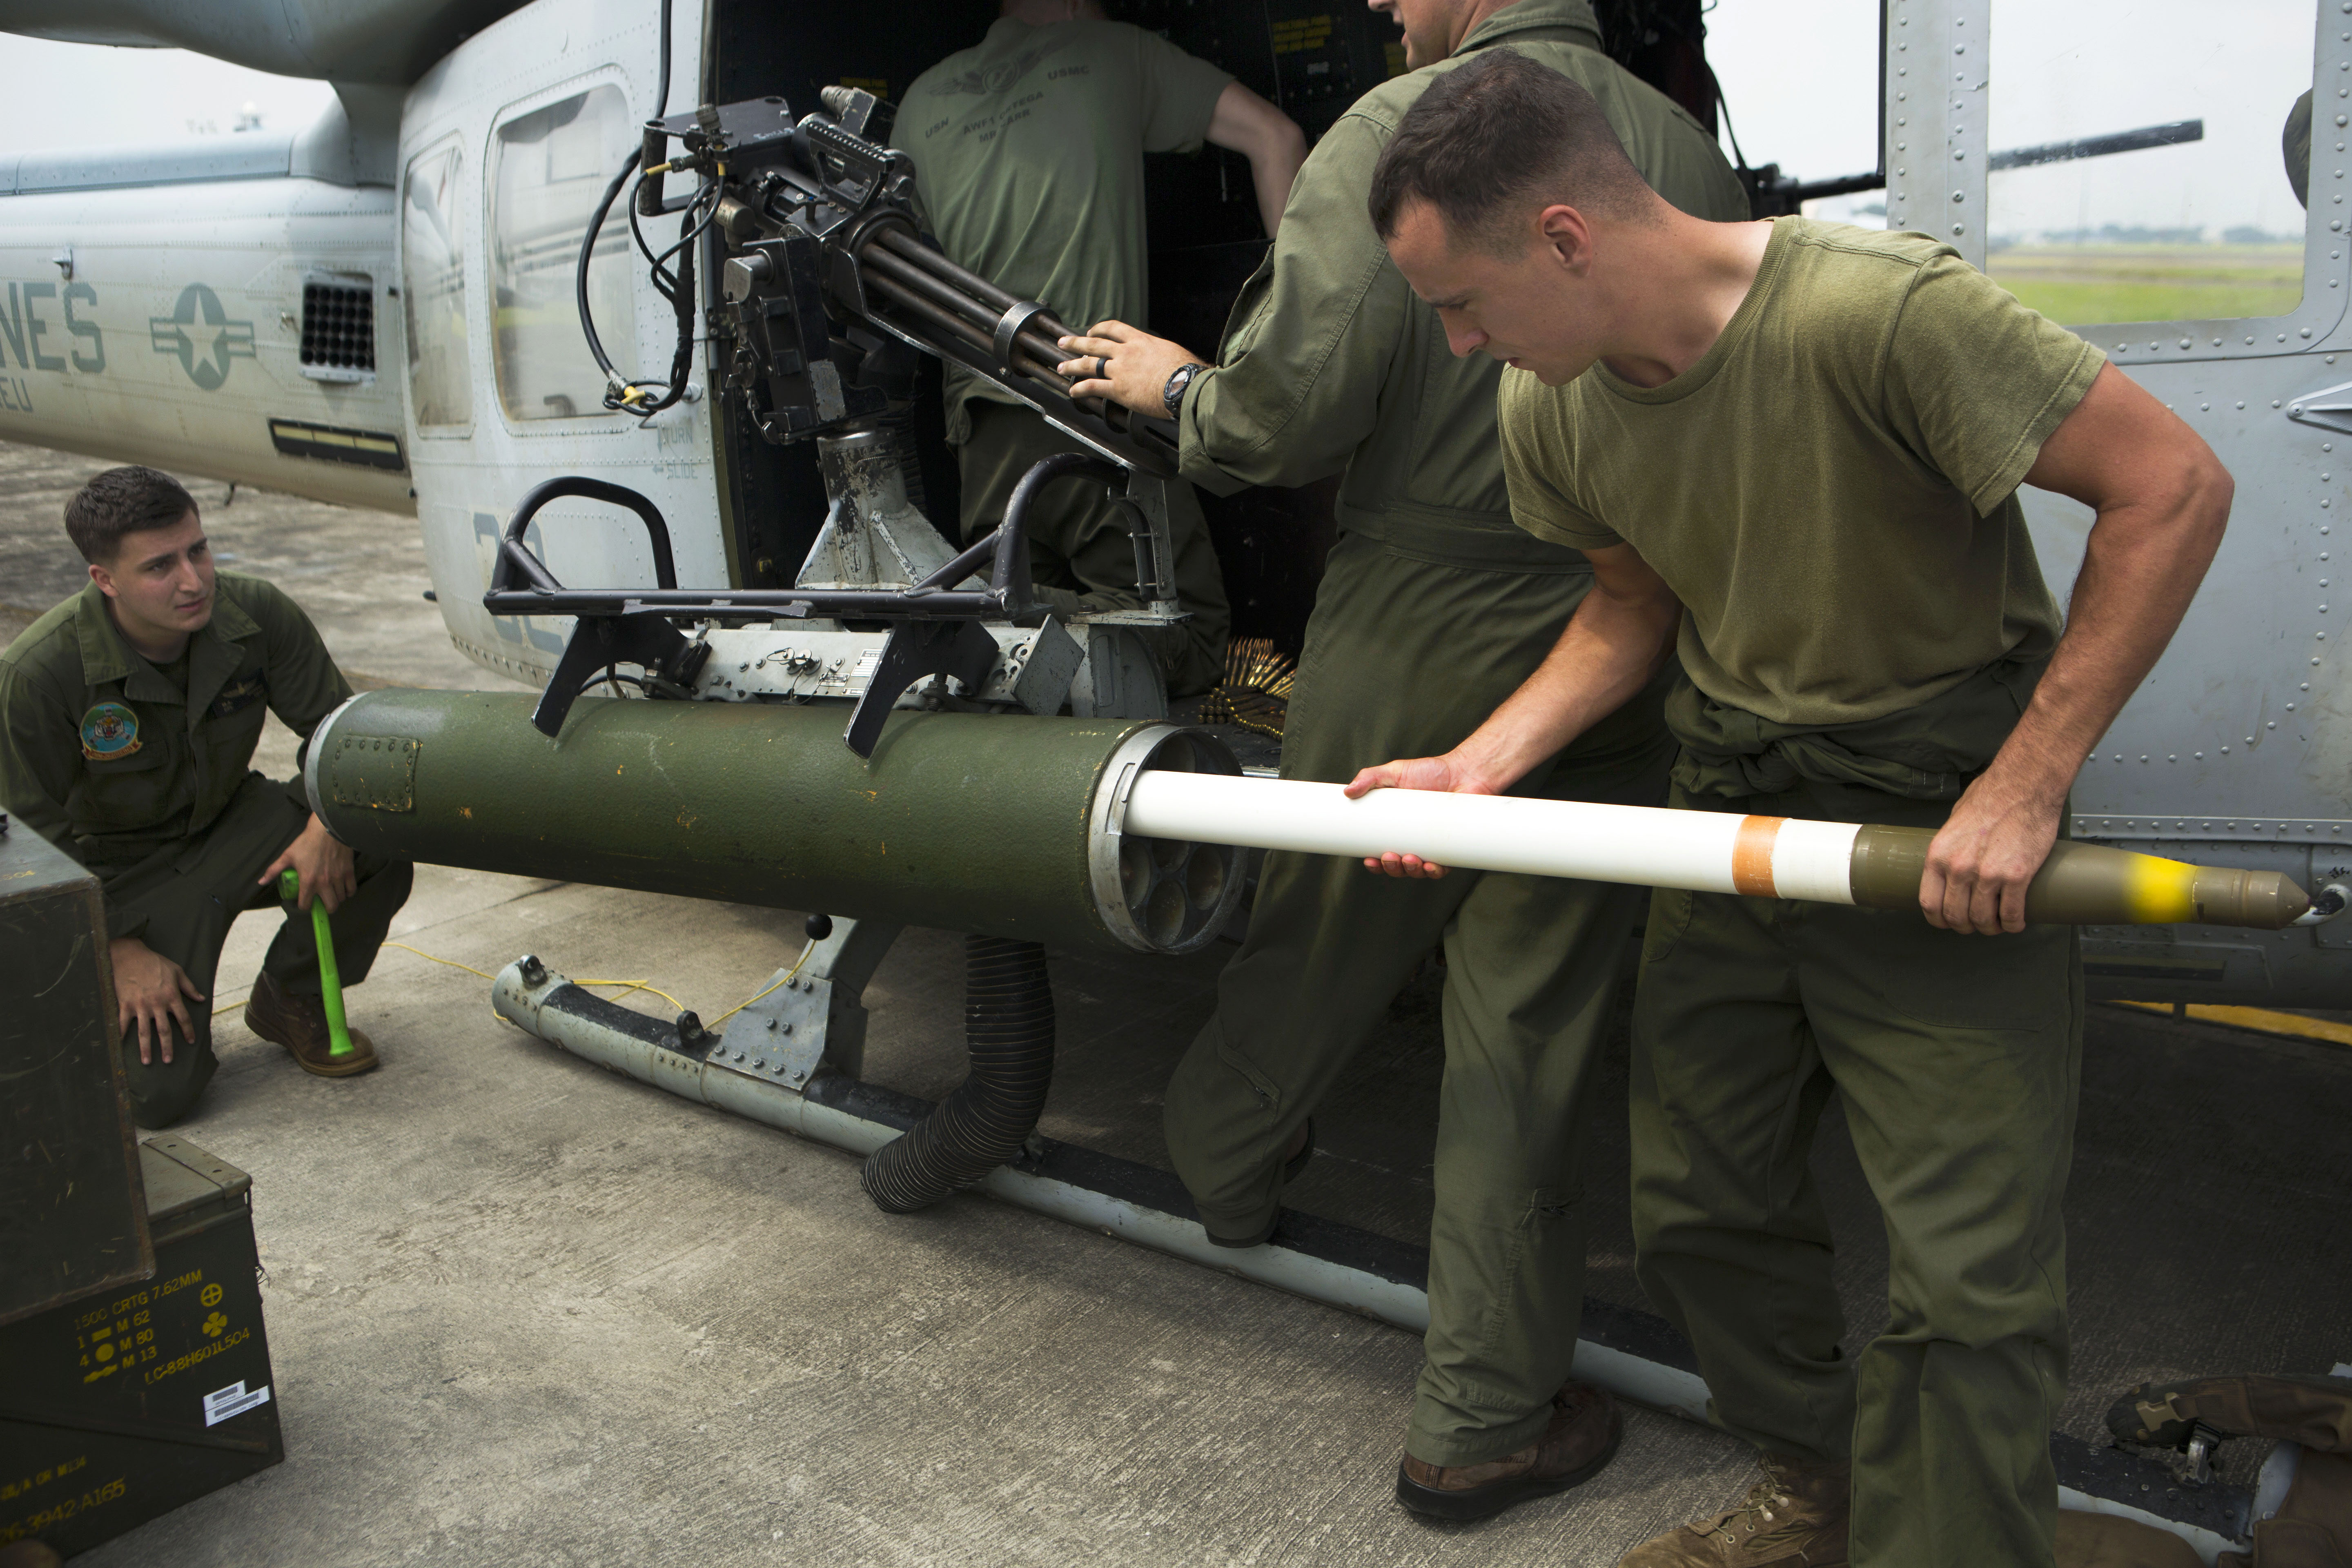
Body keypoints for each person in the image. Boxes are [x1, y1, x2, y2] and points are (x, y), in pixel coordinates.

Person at [1347, 51, 2231, 1567]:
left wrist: (2025, 788)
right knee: (1696, 1207)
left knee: (1968, 1280)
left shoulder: (1874, 315)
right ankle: (1824, 1493)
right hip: (1741, 805)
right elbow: (1631, 610)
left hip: (1937, 821)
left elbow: (2174, 489)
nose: (1454, 345)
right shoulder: (1547, 412)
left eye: (1463, 302)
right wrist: (1478, 763)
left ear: (1566, 237)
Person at [1053, 0, 1745, 1522]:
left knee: (1322, 928)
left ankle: (1222, 1170)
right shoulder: (1686, 142)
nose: (1378, 5)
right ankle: (1485, 1413)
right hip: (1615, 623)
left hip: (1418, 605)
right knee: (1535, 1027)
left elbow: (1283, 419)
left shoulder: (1399, 132)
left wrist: (1173, 388)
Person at [893, 0, 1306, 698]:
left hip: (981, 438)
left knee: (1018, 649)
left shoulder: (920, 102)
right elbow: (1277, 138)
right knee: (1192, 635)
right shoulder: (1115, 51)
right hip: (1092, 412)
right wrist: (1293, 333)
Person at [0, 466, 412, 1127]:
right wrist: (115, 950)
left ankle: (292, 995)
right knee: (157, 1098)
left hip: (233, 828)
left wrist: (327, 825)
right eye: (159, 566)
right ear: (104, 580)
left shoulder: (256, 614)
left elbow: (348, 737)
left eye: (198, 550)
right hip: (121, 877)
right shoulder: (40, 673)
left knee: (380, 831)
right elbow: (28, 844)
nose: (193, 581)